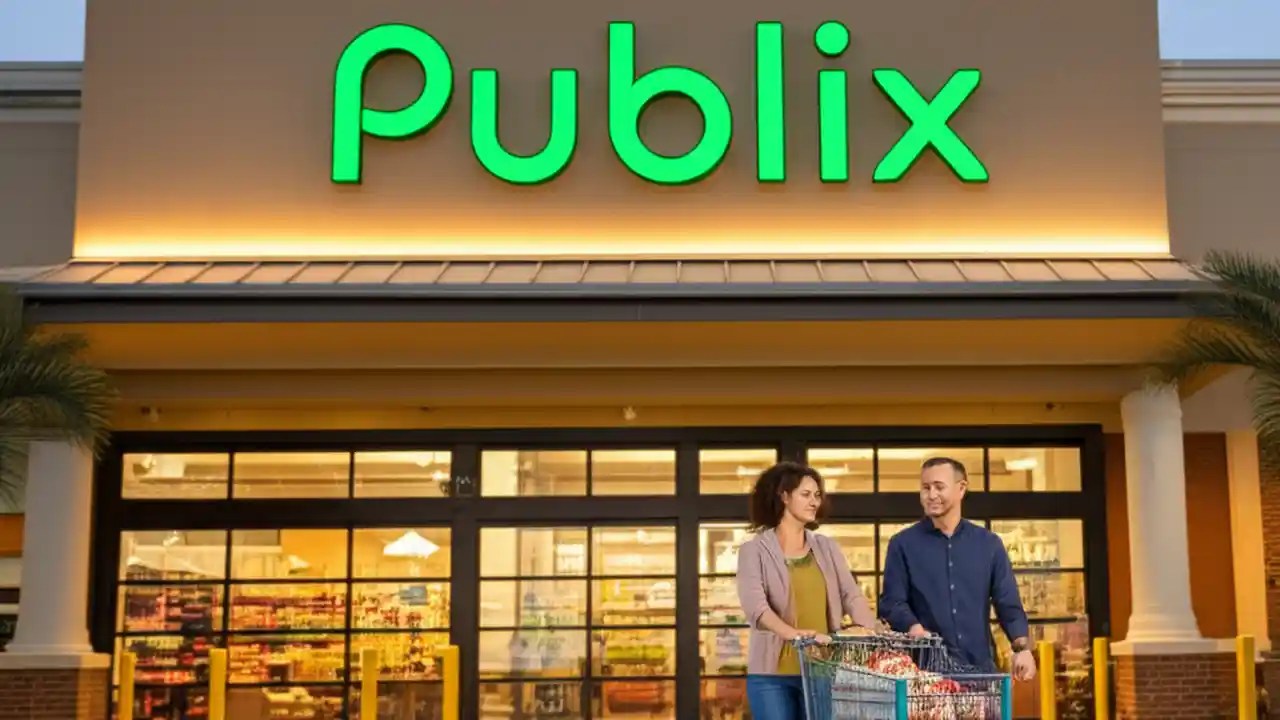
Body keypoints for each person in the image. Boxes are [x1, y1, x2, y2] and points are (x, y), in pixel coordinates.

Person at [736, 461, 877, 719]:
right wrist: (794, 635)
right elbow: (756, 608)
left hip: (822, 670)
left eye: (817, 495)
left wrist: (873, 631)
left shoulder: (827, 547)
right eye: (806, 494)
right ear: (784, 496)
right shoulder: (753, 551)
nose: (814, 502)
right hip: (772, 677)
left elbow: (851, 595)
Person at [879, 456, 1037, 681]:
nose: (931, 495)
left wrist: (1022, 649)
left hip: (981, 673)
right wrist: (913, 627)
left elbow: (1008, 604)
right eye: (925, 488)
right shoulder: (902, 545)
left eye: (939, 487)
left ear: (961, 489)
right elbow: (892, 602)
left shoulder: (989, 544)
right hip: (925, 677)